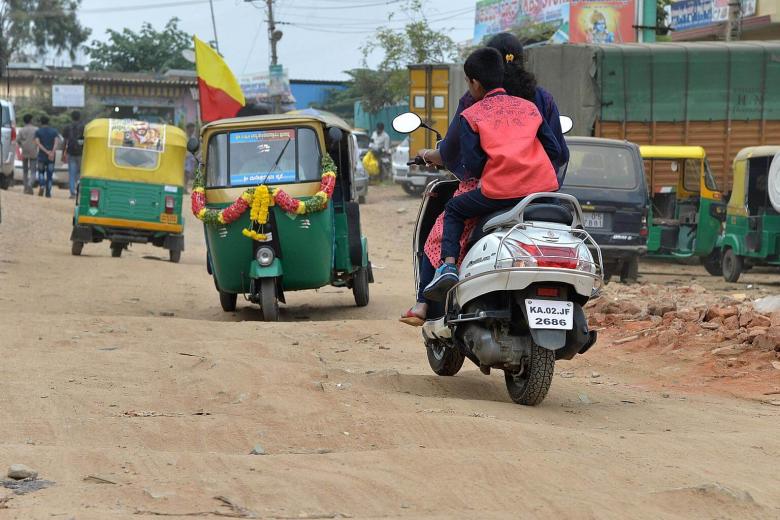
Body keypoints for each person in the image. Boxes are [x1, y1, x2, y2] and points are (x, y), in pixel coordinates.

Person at [400, 33, 568, 325]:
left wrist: (431, 154)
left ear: (475, 80)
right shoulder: (538, 102)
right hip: (542, 191)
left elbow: (460, 156)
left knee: (441, 230)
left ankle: (428, 298)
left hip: (495, 188)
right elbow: (557, 151)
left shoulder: (473, 105)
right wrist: (533, 165)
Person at [34, 115, 60, 198]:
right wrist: (52, 152)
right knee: (50, 175)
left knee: (41, 172)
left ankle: (42, 185)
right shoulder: (54, 131)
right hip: (51, 157)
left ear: (41, 122)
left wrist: (46, 152)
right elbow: (56, 143)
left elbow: (38, 143)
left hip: (42, 156)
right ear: (48, 122)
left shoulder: (38, 131)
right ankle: (48, 193)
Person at [62, 111, 85, 199]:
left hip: (70, 152)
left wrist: (63, 153)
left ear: (71, 117)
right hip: (81, 153)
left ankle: (72, 193)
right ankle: (79, 191)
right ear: (79, 117)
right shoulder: (84, 127)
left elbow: (65, 141)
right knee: (80, 173)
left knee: (71, 173)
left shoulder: (67, 127)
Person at [16, 114, 38, 195]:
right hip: (33, 151)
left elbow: (17, 140)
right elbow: (38, 140)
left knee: (25, 171)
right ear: (31, 120)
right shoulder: (36, 129)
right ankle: (30, 184)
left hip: (24, 151)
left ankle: (25, 188)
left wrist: (22, 145)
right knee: (33, 171)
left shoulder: (21, 130)